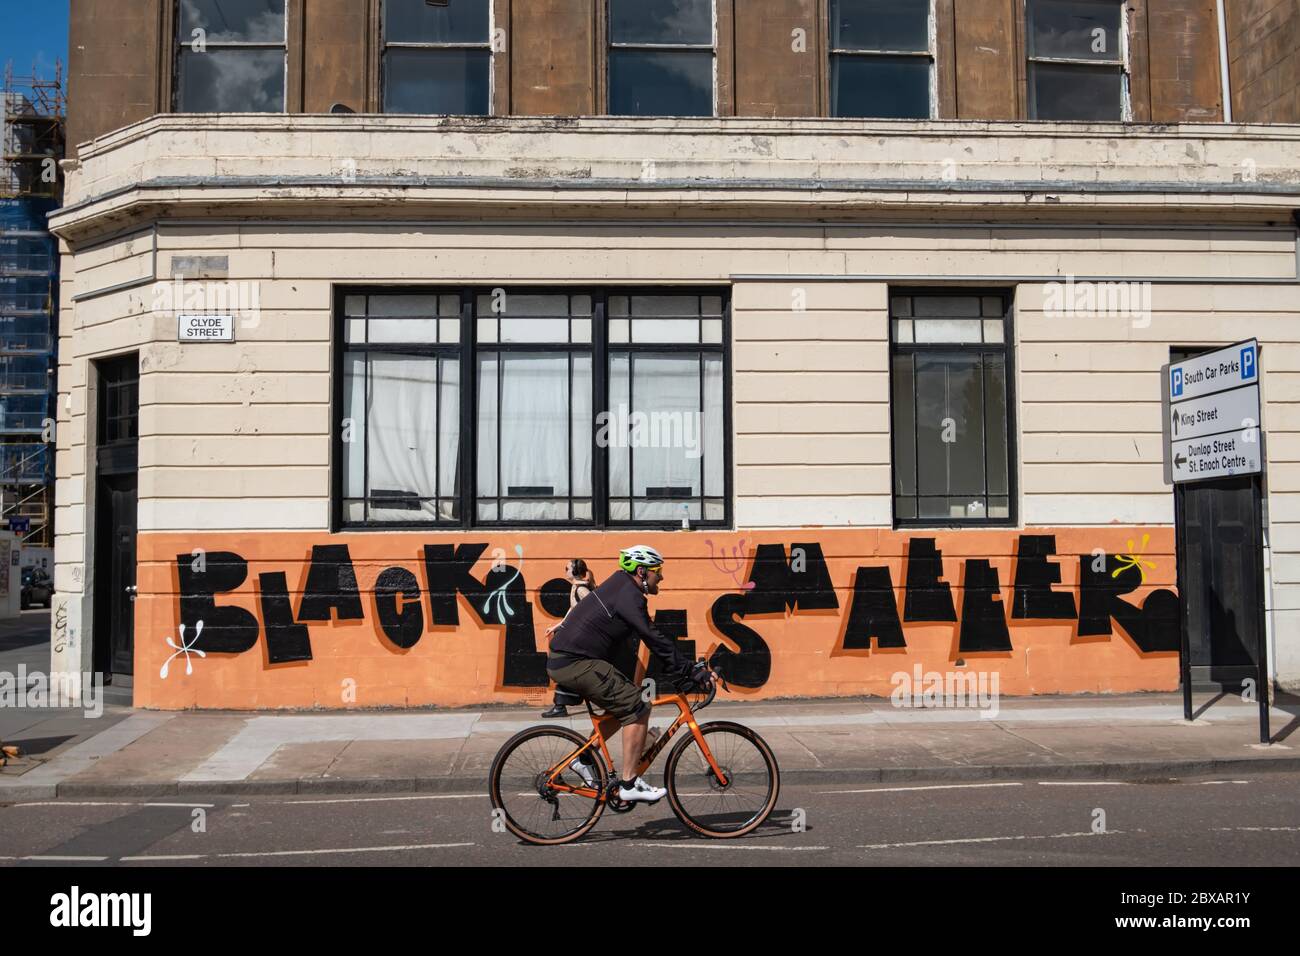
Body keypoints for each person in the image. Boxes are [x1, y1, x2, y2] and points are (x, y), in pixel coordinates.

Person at [546, 544, 711, 803]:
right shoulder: (628, 594)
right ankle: (629, 783)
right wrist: (689, 670)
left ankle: (584, 759)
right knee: (638, 706)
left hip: (571, 660)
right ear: (642, 572)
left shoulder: (621, 586)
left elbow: (647, 638)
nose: (662, 577)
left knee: (623, 704)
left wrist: (683, 668)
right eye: (658, 571)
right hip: (575, 662)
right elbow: (651, 635)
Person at [540, 559, 596, 719]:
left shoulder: (581, 590)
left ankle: (560, 706)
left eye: (567, 568)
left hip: (580, 638)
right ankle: (560, 704)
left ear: (574, 571)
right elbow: (572, 609)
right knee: (566, 666)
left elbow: (593, 609)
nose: (565, 570)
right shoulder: (576, 587)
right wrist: (557, 627)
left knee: (565, 666)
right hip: (574, 636)